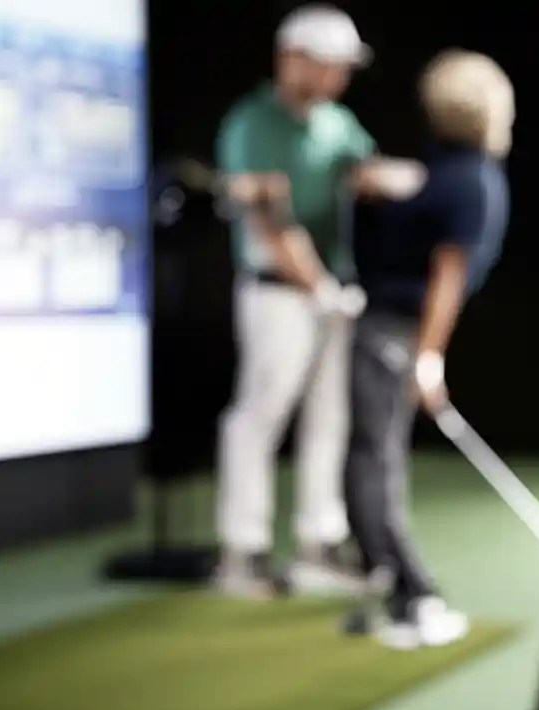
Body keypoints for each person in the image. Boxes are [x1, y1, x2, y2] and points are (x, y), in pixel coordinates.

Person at [215, 4, 423, 596]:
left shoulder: (337, 122)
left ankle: (317, 546)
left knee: (329, 420)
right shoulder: (253, 123)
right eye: (330, 66)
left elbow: (367, 168)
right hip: (278, 293)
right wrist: (319, 288)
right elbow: (271, 225)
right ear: (293, 59)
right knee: (260, 415)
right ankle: (243, 551)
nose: (339, 78)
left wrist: (400, 179)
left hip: (335, 295)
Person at [343, 49, 515, 648]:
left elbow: (448, 273)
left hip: (393, 329)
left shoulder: (464, 178)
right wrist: (428, 355)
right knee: (376, 459)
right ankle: (409, 593)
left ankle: (400, 587)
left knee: (375, 457)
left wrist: (427, 354)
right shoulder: (461, 175)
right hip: (389, 328)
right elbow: (445, 271)